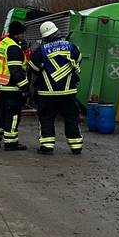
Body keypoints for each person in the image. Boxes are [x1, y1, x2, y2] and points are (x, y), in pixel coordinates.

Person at [28, 20, 83, 155]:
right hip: (68, 92)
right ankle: (76, 146)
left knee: (46, 117)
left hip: (47, 93)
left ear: (44, 37)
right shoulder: (70, 46)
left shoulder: (41, 50)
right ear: (57, 32)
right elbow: (79, 59)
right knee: (71, 117)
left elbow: (33, 68)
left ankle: (47, 147)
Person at [0, 20, 29, 151]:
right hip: (11, 88)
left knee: (2, 114)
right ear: (17, 34)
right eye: (22, 33)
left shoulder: (3, 43)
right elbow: (16, 70)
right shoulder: (13, 48)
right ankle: (11, 143)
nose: (24, 35)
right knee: (13, 116)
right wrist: (25, 87)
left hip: (1, 86)